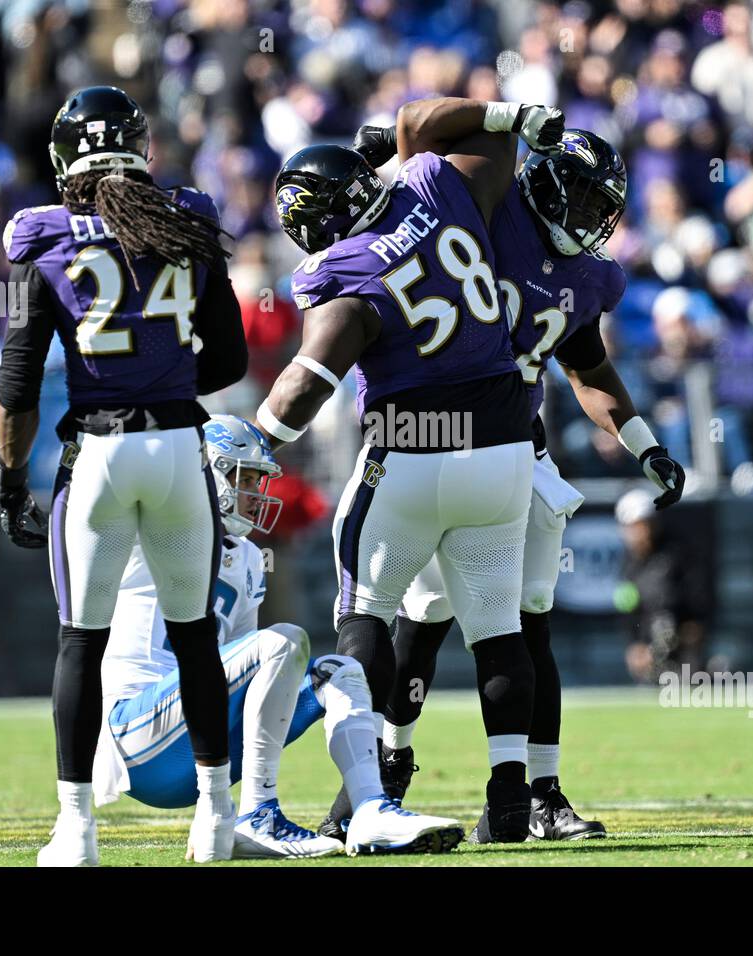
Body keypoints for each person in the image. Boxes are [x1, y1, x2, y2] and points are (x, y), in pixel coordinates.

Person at [351, 100, 685, 842]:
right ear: (556, 186)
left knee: (524, 624)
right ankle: (388, 774)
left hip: (511, 448)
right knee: (426, 620)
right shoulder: (487, 207)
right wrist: (500, 119)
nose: (600, 222)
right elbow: (420, 135)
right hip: (433, 434)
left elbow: (588, 368)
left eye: (610, 209)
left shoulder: (584, 276)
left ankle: (537, 793)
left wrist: (643, 443)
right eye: (593, 202)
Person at [259, 99, 564, 843]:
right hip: (503, 447)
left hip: (411, 445)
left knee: (364, 616)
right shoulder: (433, 184)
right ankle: (510, 797)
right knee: (498, 630)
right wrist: (507, 113)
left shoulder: (341, 270)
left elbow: (307, 380)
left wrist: (256, 438)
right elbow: (458, 129)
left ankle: (362, 798)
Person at [0, 86, 246, 866]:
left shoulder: (47, 243)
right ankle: (216, 818)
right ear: (141, 148)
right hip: (177, 449)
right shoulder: (186, 222)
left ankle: (77, 831)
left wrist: (9, 482)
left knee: (81, 643)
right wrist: (160, 376)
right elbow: (232, 360)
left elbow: (17, 387)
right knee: (195, 638)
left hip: (98, 455)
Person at [94, 416, 463, 857]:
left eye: (257, 479)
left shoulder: (248, 559)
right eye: (243, 477)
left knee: (341, 672)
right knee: (282, 640)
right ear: (206, 473)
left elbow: (253, 689)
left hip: (195, 750)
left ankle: (368, 810)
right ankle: (257, 814)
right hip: (134, 736)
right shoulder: (152, 530)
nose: (255, 494)